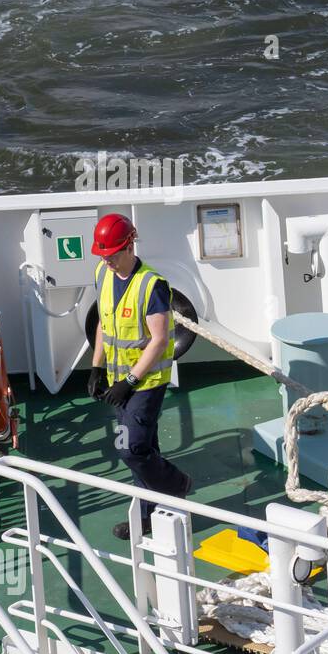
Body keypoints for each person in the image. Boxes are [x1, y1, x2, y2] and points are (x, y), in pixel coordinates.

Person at [87, 212, 191, 540]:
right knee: (143, 448)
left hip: (145, 383)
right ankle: (148, 517)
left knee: (131, 449)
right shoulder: (103, 275)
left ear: (130, 245)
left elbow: (159, 340)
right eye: (103, 257)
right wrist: (97, 367)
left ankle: (177, 485)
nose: (108, 263)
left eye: (113, 256)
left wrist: (129, 382)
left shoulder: (152, 284)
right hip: (119, 381)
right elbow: (105, 323)